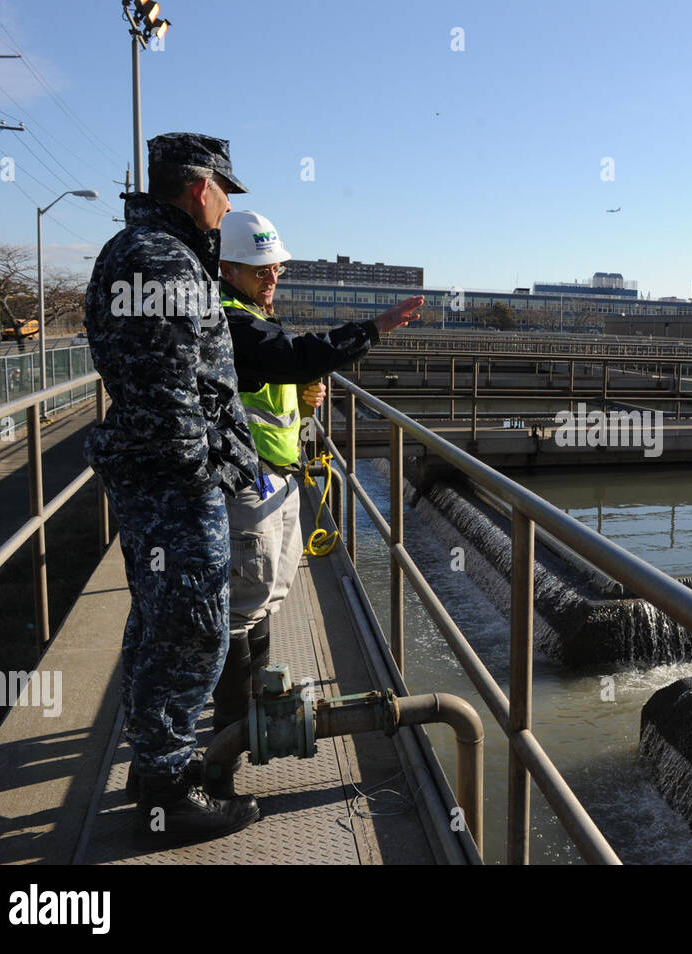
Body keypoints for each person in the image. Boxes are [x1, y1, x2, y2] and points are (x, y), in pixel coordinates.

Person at [83, 132, 261, 841]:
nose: (226, 207)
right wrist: (201, 474)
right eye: (224, 192)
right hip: (172, 487)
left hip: (157, 480)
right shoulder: (159, 259)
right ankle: (166, 796)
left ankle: (155, 767)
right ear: (198, 188)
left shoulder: (149, 251)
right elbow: (166, 393)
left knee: (162, 625)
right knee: (192, 630)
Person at [209, 210, 423, 780]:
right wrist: (373, 328)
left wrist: (302, 409)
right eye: (259, 269)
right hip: (247, 483)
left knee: (268, 595)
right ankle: (228, 737)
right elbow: (295, 355)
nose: (270, 277)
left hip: (277, 477)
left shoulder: (252, 314)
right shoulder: (231, 319)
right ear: (227, 267)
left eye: (274, 267)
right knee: (240, 607)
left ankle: (255, 711)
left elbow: (276, 382)